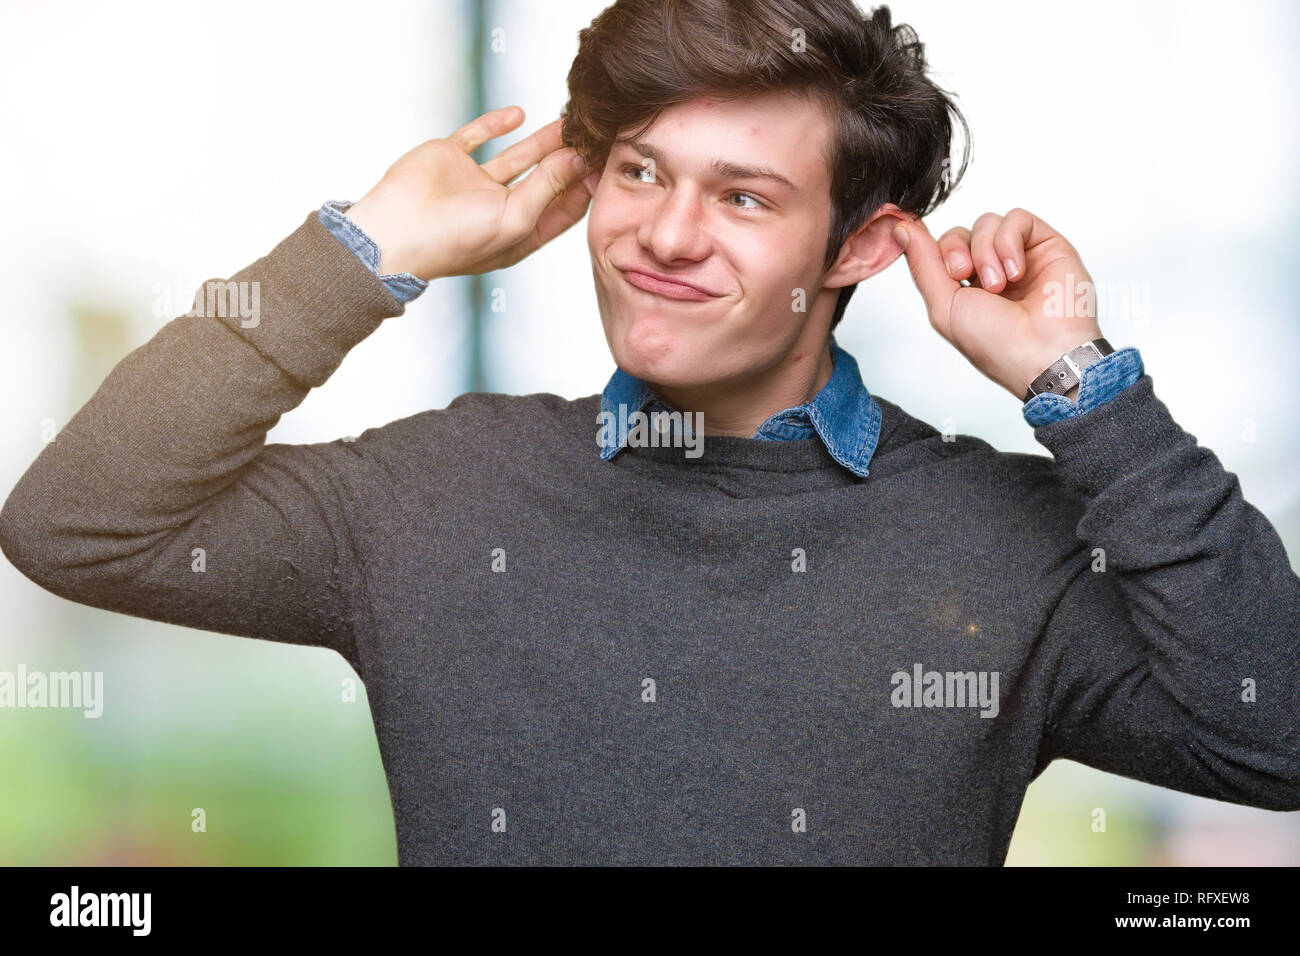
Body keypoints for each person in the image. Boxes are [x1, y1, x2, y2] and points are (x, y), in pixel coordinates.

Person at [1, 0, 1297, 866]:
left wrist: (1084, 384)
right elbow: (79, 521)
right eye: (639, 170)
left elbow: (1275, 739)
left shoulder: (1005, 544)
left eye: (742, 195)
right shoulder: (447, 492)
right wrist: (369, 250)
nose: (666, 237)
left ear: (858, 244)